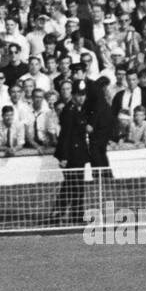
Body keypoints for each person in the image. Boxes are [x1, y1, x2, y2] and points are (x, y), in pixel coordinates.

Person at [51, 79, 90, 224]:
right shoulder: (69, 110)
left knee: (73, 186)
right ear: (73, 95)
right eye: (79, 95)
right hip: (71, 155)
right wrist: (64, 157)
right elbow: (66, 135)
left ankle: (62, 213)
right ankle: (74, 215)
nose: (81, 97)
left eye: (83, 95)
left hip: (78, 155)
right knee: (74, 186)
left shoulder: (78, 109)